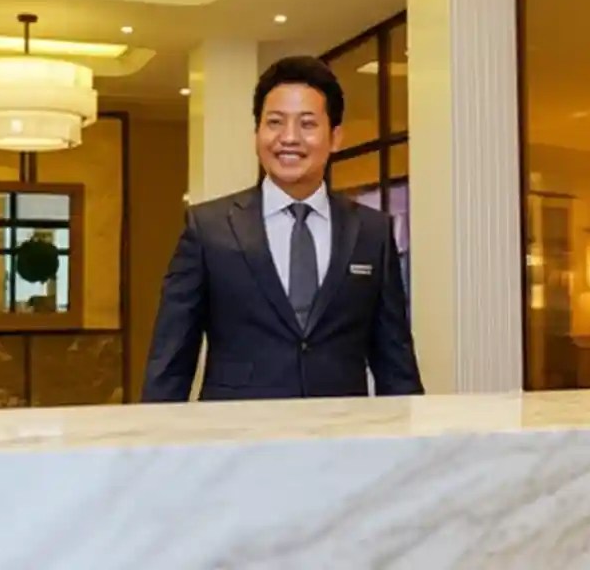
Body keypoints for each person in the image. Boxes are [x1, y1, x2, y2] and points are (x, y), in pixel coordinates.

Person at [141, 56, 424, 402]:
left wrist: (413, 445)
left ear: (335, 137)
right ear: (257, 132)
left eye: (307, 124)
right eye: (275, 122)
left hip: (341, 436)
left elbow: (395, 361)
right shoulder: (209, 228)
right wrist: (159, 441)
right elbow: (171, 359)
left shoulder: (372, 232)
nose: (289, 138)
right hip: (236, 437)